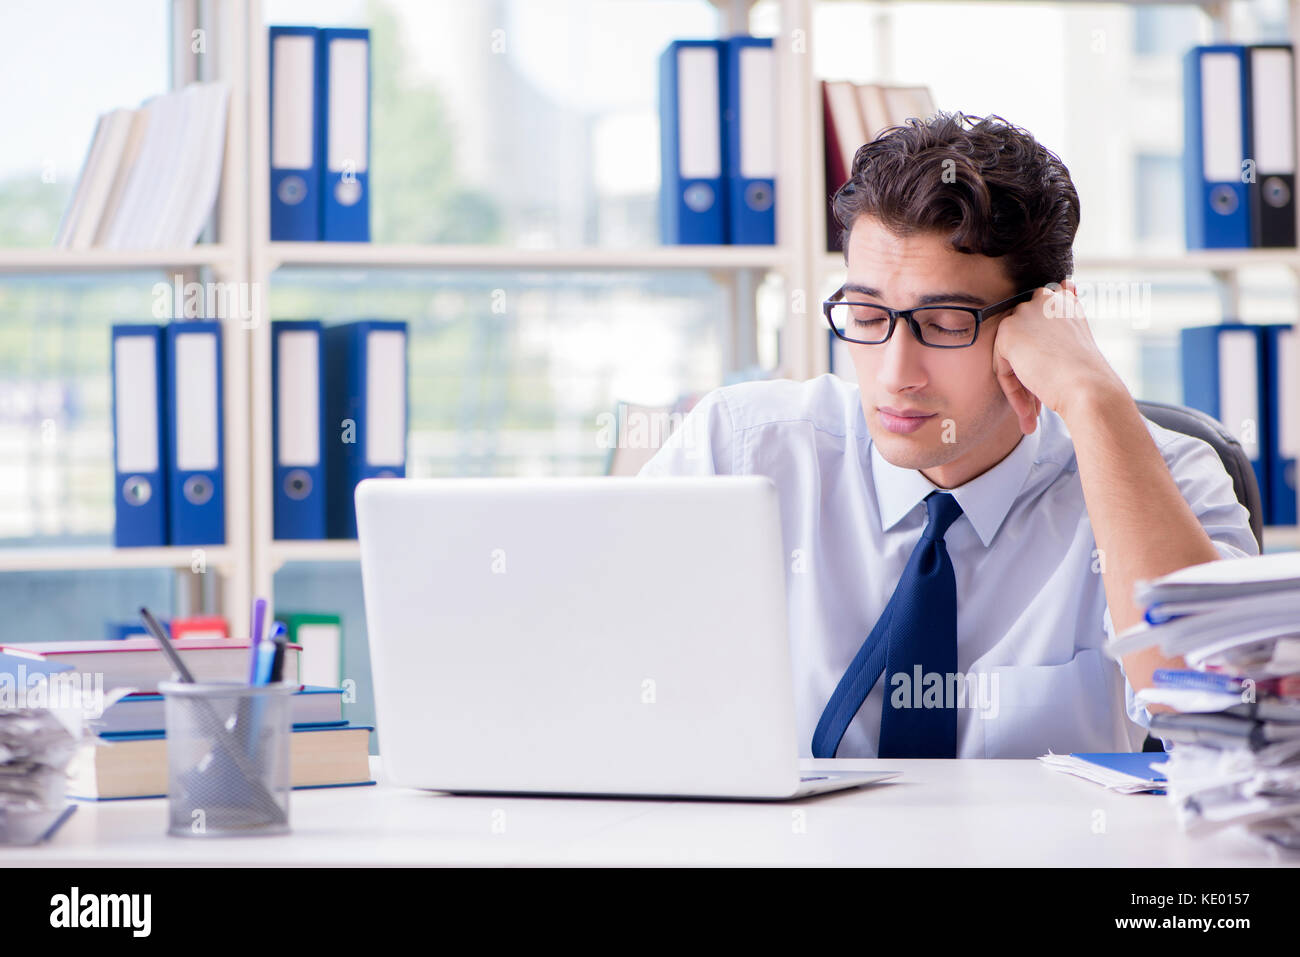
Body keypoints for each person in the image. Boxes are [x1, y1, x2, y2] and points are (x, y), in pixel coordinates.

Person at [639, 112, 1258, 759]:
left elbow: (1220, 713)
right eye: (868, 314)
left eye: (944, 321)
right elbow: (594, 659)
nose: (896, 373)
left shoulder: (1169, 477)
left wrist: (1093, 396)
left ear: (1047, 317)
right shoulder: (739, 452)